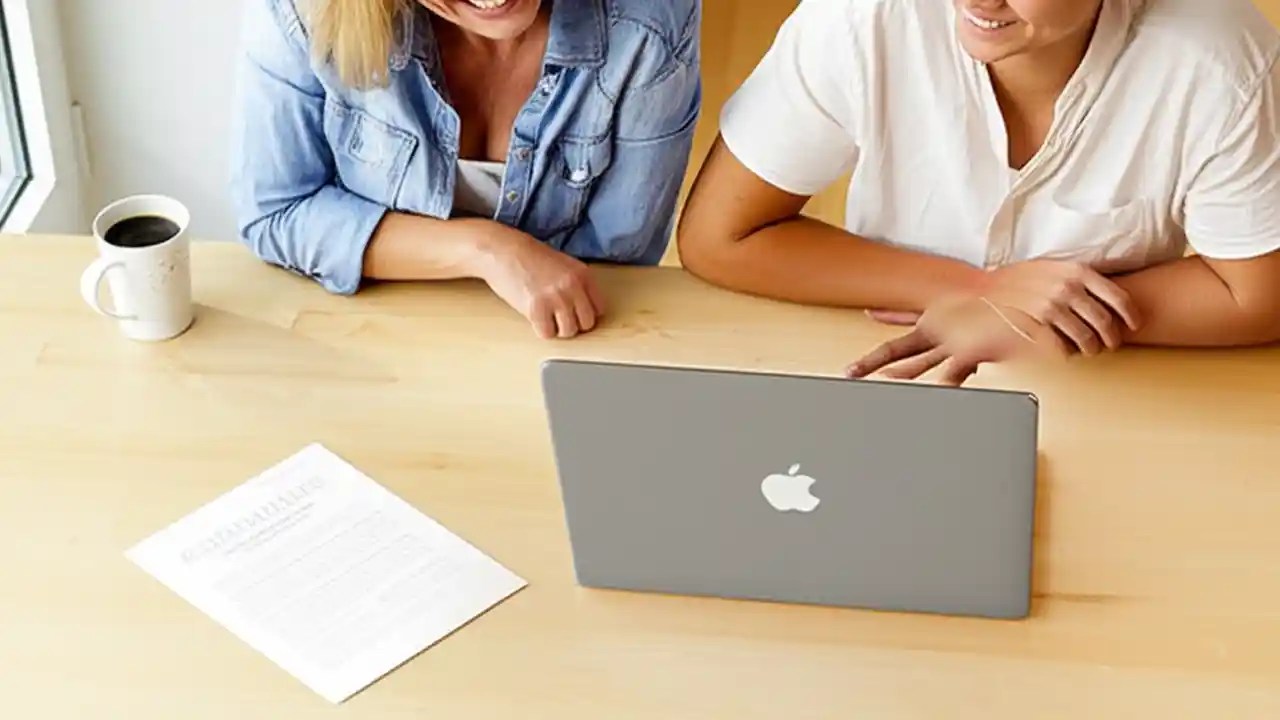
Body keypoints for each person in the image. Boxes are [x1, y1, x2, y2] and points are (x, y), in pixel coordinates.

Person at [678, 0, 1280, 385]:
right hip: (889, 361)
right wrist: (984, 292)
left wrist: (1040, 315)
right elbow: (719, 238)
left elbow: (1260, 296)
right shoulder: (859, 19)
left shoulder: (1220, 59)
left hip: (1113, 379)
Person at [231, 0, 701, 339]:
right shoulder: (304, 11)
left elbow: (620, 254)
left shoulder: (652, 17)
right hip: (359, 337)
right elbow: (277, 211)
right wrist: (486, 251)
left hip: (559, 343)